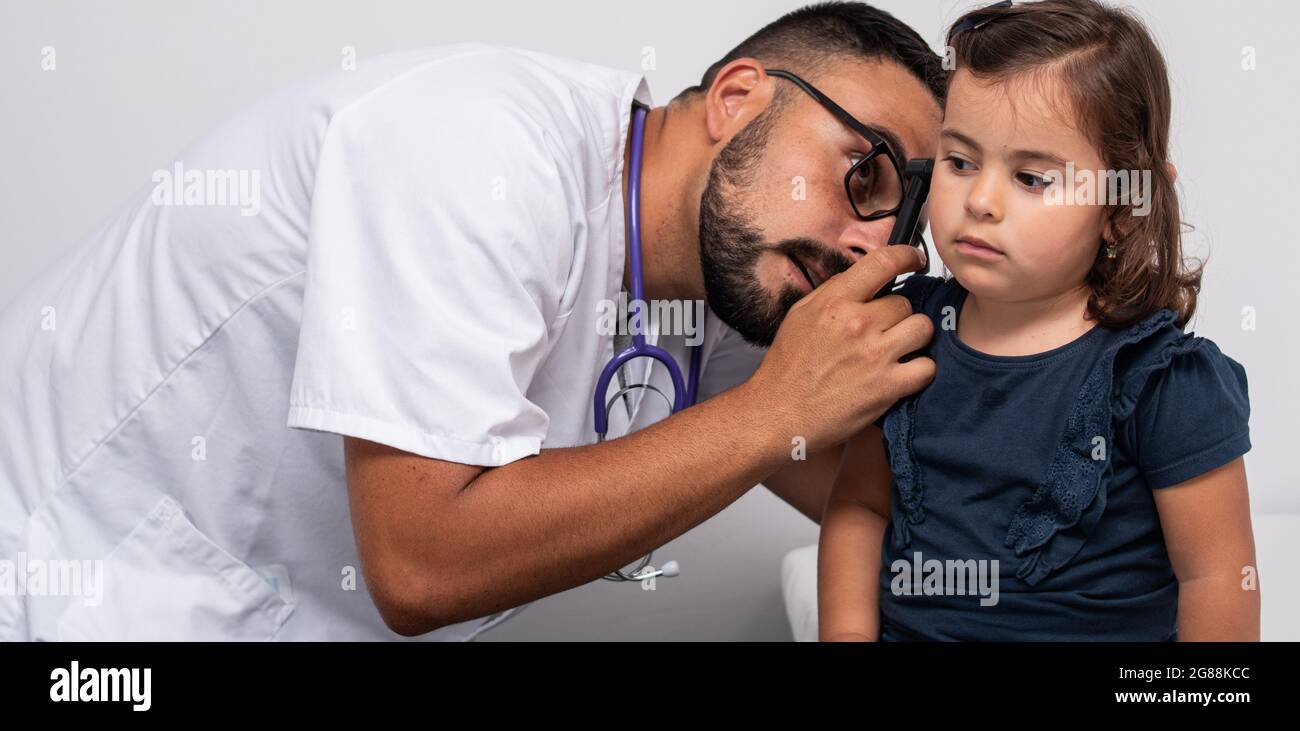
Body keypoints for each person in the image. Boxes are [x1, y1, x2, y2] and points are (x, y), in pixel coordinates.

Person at [0, 2, 944, 640]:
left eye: (900, 221)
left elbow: (896, 506)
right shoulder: (477, 145)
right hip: (69, 590)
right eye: (865, 173)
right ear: (736, 100)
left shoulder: (737, 280)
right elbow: (420, 565)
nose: (868, 243)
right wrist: (771, 414)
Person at [818, 0, 1259, 642]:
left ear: (1125, 208)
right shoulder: (903, 333)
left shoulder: (1162, 380)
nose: (982, 201)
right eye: (960, 162)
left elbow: (1217, 577)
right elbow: (859, 507)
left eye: (1031, 177)